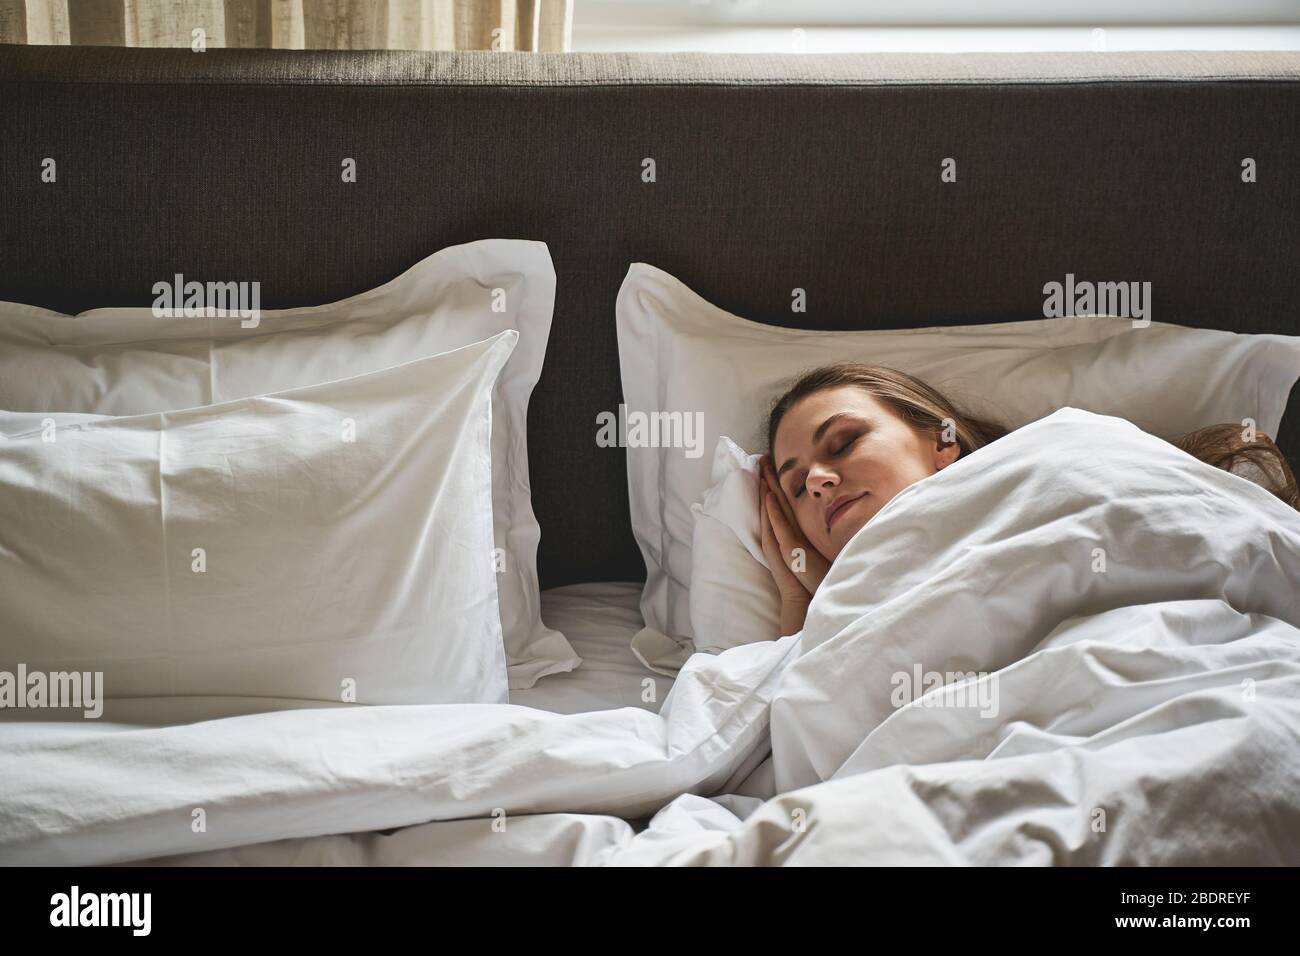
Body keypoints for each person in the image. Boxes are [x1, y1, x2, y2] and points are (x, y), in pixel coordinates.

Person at [758, 363, 1300, 636]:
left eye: (845, 442)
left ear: (941, 441)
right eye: (796, 486)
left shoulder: (1065, 457)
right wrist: (805, 612)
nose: (819, 482)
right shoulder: (833, 614)